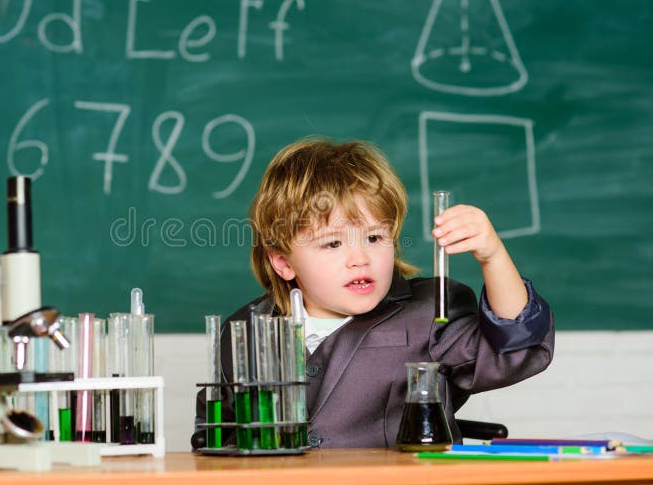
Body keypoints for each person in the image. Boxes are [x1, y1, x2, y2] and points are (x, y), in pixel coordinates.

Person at [192, 138, 554, 449]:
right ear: (284, 263)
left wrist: (492, 257)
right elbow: (218, 439)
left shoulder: (429, 312)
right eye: (333, 243)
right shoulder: (246, 331)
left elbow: (518, 349)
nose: (359, 258)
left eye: (374, 237)